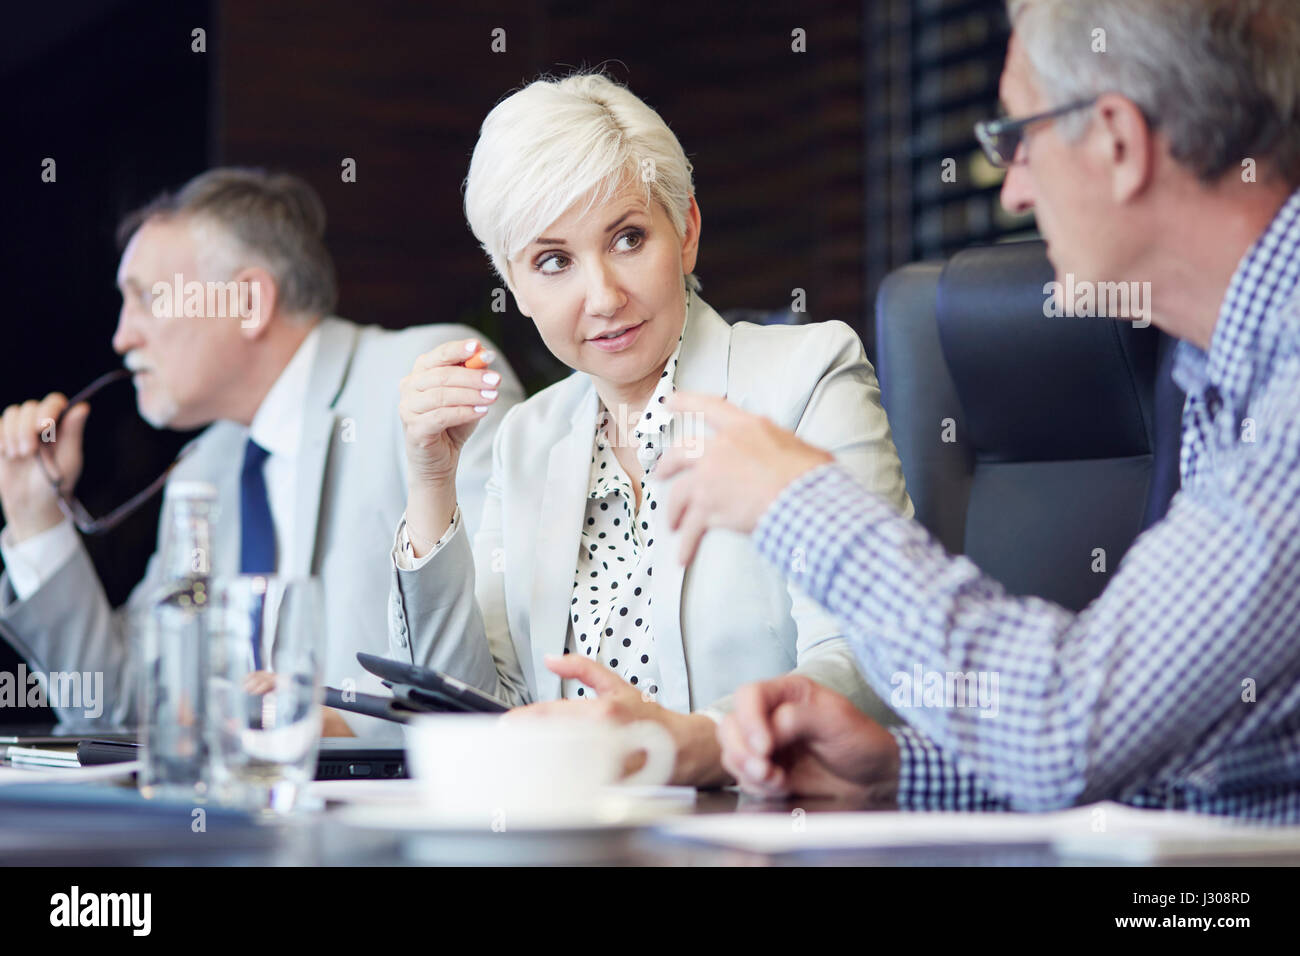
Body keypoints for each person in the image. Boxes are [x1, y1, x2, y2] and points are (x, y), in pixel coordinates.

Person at [661, 0, 1300, 818]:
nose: (1014, 194)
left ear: (1117, 140)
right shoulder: (1222, 371)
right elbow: (1198, 759)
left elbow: (1069, 730)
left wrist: (798, 503)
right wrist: (900, 771)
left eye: (1018, 138)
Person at [389, 73, 913, 785]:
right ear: (514, 287)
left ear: (687, 231)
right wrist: (431, 483)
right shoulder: (528, 436)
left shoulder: (806, 377)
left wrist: (693, 744)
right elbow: (478, 709)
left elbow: (869, 654)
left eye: (629, 238)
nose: (603, 296)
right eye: (553, 261)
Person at [0, 168, 523, 732]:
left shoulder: (424, 378)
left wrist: (347, 728)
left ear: (250, 300)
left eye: (148, 299)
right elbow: (122, 705)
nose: (122, 337)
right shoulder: (204, 468)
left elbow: (499, 673)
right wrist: (39, 524)